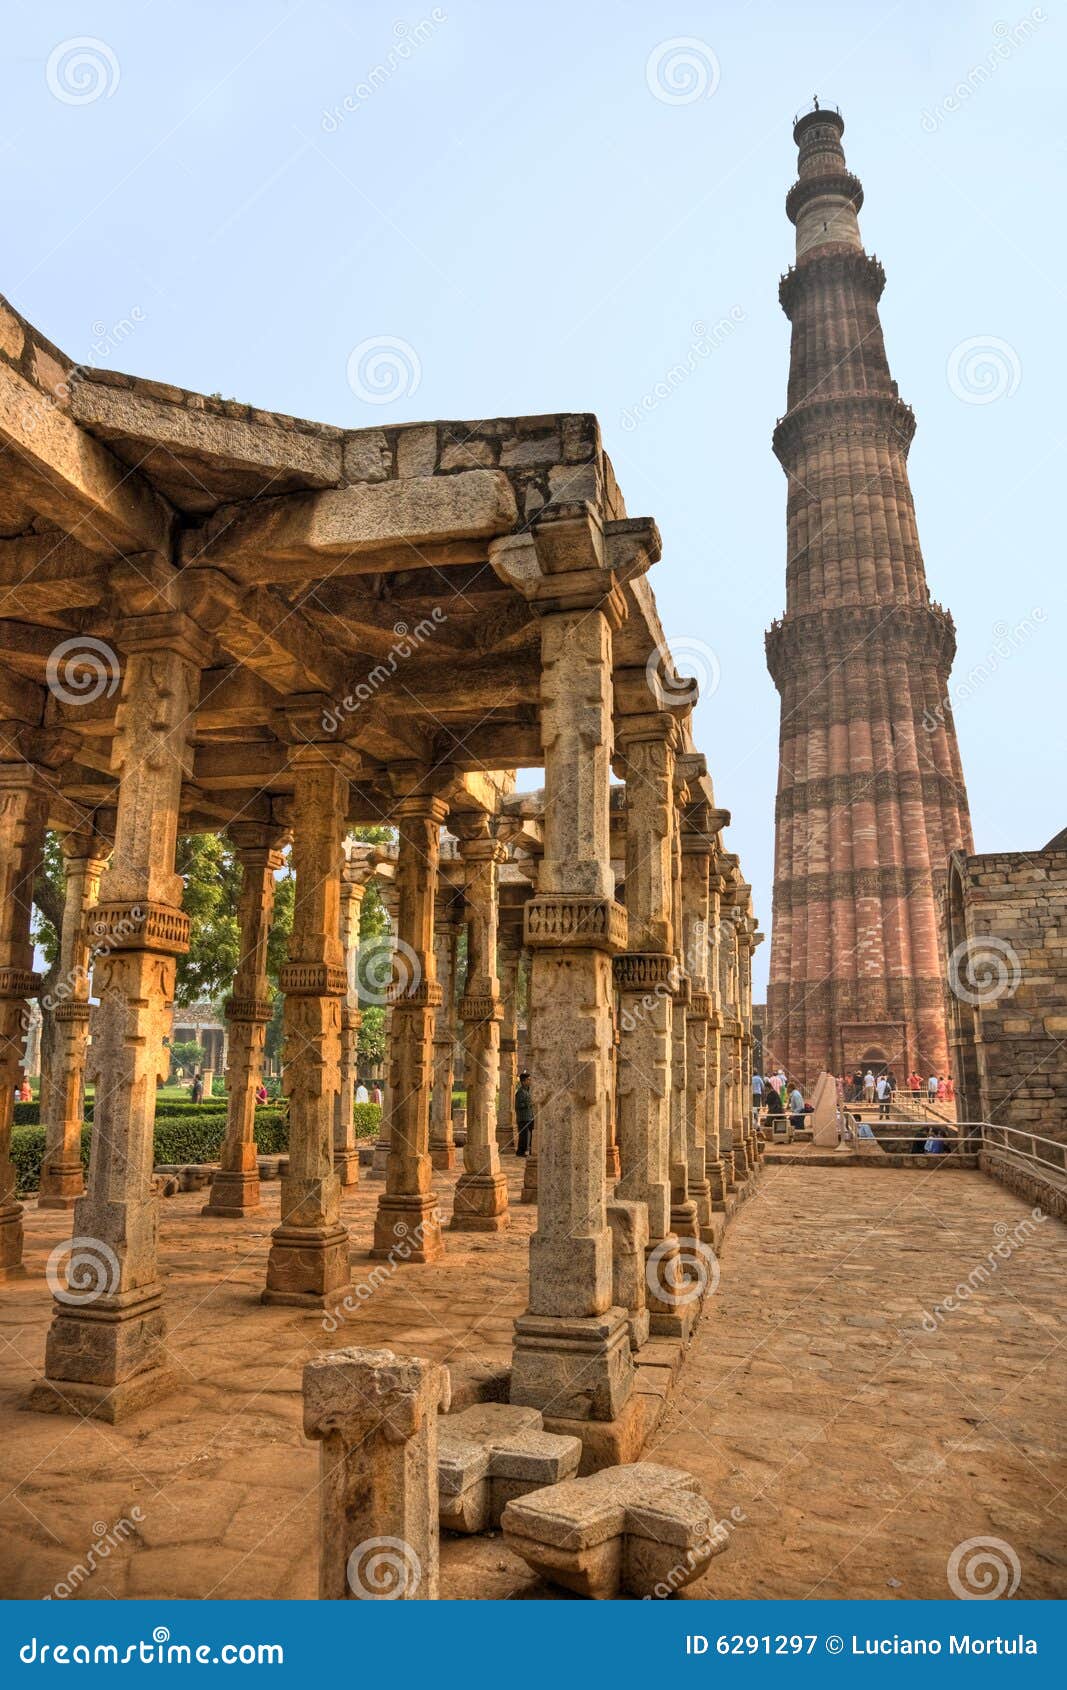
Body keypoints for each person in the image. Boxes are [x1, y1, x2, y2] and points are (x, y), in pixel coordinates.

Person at [515, 1070, 534, 1157]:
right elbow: (518, 1105)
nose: (530, 1081)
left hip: (529, 1116)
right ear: (523, 1082)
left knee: (528, 1135)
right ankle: (521, 1152)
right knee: (523, 1136)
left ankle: (527, 1150)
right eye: (528, 1080)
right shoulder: (520, 1092)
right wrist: (528, 1103)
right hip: (523, 1117)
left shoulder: (527, 1091)